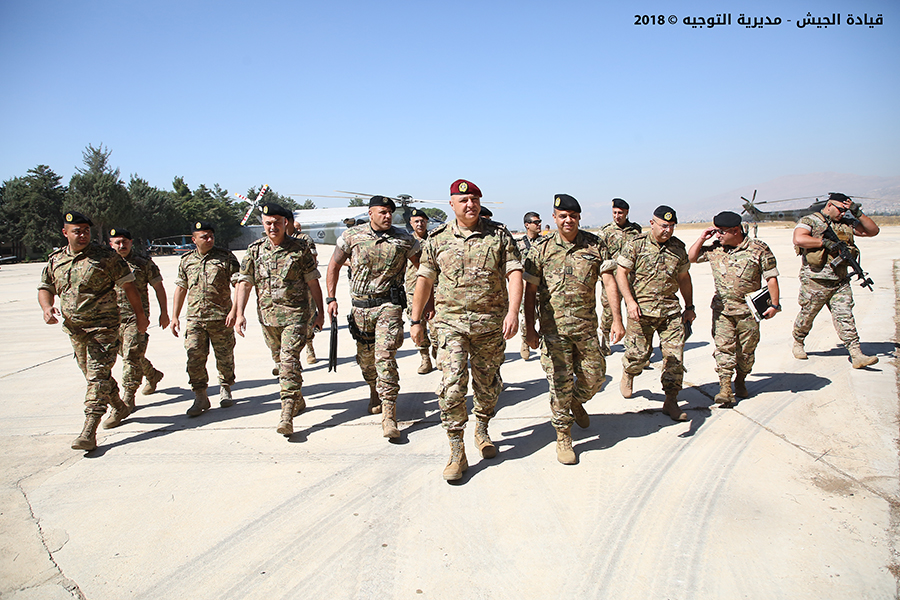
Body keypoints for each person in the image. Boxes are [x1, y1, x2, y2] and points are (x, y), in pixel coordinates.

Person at [410, 179, 523, 481]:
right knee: (452, 387)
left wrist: (513, 312)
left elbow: (514, 272)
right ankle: (456, 450)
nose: (469, 204)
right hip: (450, 325)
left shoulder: (499, 236)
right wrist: (416, 320)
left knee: (488, 387)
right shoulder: (436, 239)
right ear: (452, 204)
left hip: (490, 325)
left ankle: (482, 427)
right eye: (463, 200)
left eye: (474, 199)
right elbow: (424, 280)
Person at [524, 195, 624, 464]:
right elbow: (530, 291)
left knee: (595, 378)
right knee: (559, 384)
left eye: (573, 216)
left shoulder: (595, 245)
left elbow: (609, 281)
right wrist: (529, 328)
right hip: (553, 330)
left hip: (585, 328)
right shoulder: (541, 249)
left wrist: (617, 318)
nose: (568, 220)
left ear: (579, 218)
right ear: (554, 218)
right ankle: (563, 435)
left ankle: (575, 402)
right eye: (563, 215)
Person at [38, 211, 149, 451]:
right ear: (65, 233)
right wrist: (47, 308)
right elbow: (45, 286)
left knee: (97, 377)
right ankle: (119, 405)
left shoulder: (106, 257)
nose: (82, 235)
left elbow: (129, 287)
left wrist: (141, 317)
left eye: (86, 230)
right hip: (75, 330)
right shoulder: (56, 260)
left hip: (104, 328)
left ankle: (89, 430)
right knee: (92, 375)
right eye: (77, 231)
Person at [325, 196, 420, 439]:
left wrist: (426, 300)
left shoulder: (404, 238)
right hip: (360, 308)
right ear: (370, 213)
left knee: (385, 357)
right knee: (366, 361)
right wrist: (331, 298)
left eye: (390, 212)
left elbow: (423, 267)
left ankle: (389, 415)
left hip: (389, 306)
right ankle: (373, 389)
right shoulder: (352, 236)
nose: (387, 216)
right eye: (382, 212)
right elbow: (334, 266)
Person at [234, 203, 324, 436]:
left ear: (286, 223)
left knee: (288, 361)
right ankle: (298, 399)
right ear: (263, 224)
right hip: (267, 318)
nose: (272, 227)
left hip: (295, 316)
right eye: (268, 223)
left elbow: (313, 281)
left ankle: (286, 412)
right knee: (281, 363)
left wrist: (320, 312)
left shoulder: (300, 248)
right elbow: (244, 282)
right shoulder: (254, 250)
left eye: (277, 222)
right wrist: (239, 312)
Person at [688, 211, 781, 407]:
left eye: (721, 232)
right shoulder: (716, 249)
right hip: (722, 311)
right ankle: (725, 388)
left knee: (746, 353)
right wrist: (702, 238)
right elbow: (692, 257)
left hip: (748, 312)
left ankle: (740, 378)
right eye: (716, 231)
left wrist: (774, 305)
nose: (718, 235)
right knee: (724, 349)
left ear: (736, 230)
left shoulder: (758, 249)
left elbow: (771, 277)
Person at [616, 205, 694, 422]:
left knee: (674, 358)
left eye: (671, 226)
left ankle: (671, 400)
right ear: (652, 224)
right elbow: (621, 273)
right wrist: (630, 302)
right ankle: (629, 372)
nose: (668, 230)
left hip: (670, 313)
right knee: (638, 356)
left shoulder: (678, 248)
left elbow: (684, 278)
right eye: (664, 225)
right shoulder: (636, 245)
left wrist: (689, 307)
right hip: (641, 312)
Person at [792, 192, 879, 368]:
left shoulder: (846, 223)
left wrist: (858, 213)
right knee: (807, 316)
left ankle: (856, 354)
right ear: (830, 205)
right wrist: (823, 243)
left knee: (845, 316)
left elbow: (873, 231)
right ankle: (798, 341)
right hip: (816, 280)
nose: (842, 213)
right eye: (840, 209)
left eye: (845, 210)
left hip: (840, 281)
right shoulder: (811, 221)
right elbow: (799, 238)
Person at [170, 221, 240, 417]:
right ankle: (200, 395)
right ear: (194, 240)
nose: (209, 239)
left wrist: (235, 311)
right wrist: (175, 316)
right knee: (194, 358)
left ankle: (225, 387)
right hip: (195, 319)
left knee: (224, 357)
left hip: (221, 317)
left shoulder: (225, 257)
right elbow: (181, 287)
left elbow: (239, 285)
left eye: (211, 236)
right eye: (204, 237)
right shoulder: (186, 260)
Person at [108, 228, 168, 410]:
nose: (121, 245)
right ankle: (152, 374)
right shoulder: (104, 263)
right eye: (117, 242)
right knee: (126, 353)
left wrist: (164, 312)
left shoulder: (143, 263)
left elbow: (158, 287)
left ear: (131, 242)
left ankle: (128, 395)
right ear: (110, 244)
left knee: (131, 356)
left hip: (136, 317)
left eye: (125, 241)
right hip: (111, 317)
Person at [597, 198, 642, 354]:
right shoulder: (606, 231)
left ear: (627, 213)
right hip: (612, 279)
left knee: (634, 311)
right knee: (609, 310)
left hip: (631, 279)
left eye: (620, 213)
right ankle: (604, 337)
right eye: (614, 213)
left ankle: (634, 345)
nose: (617, 216)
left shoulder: (635, 230)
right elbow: (600, 254)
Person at [405, 208, 436, 374]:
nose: (420, 223)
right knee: (419, 326)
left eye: (423, 221)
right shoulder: (406, 241)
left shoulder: (435, 239)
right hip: (413, 290)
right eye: (416, 221)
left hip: (436, 289)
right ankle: (425, 358)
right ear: (410, 222)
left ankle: (439, 350)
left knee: (438, 326)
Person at [288, 219, 320, 367]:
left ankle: (309, 347)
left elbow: (313, 260)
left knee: (308, 318)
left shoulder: (304, 239)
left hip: (305, 285)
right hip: (286, 290)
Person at [517, 211, 542, 360]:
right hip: (526, 288)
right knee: (526, 317)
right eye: (536, 222)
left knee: (546, 318)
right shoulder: (519, 245)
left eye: (539, 222)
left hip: (543, 288)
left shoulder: (545, 243)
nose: (538, 224)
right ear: (527, 225)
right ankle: (525, 341)